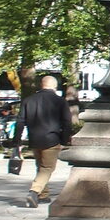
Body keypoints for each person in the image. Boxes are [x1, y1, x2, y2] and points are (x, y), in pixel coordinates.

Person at [11, 74, 74, 208]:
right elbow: (67, 122)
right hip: (51, 139)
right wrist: (64, 140)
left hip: (34, 139)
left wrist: (16, 141)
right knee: (47, 168)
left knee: (40, 166)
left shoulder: (29, 100)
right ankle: (34, 192)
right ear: (55, 86)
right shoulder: (60, 101)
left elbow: (20, 122)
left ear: (41, 85)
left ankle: (43, 195)